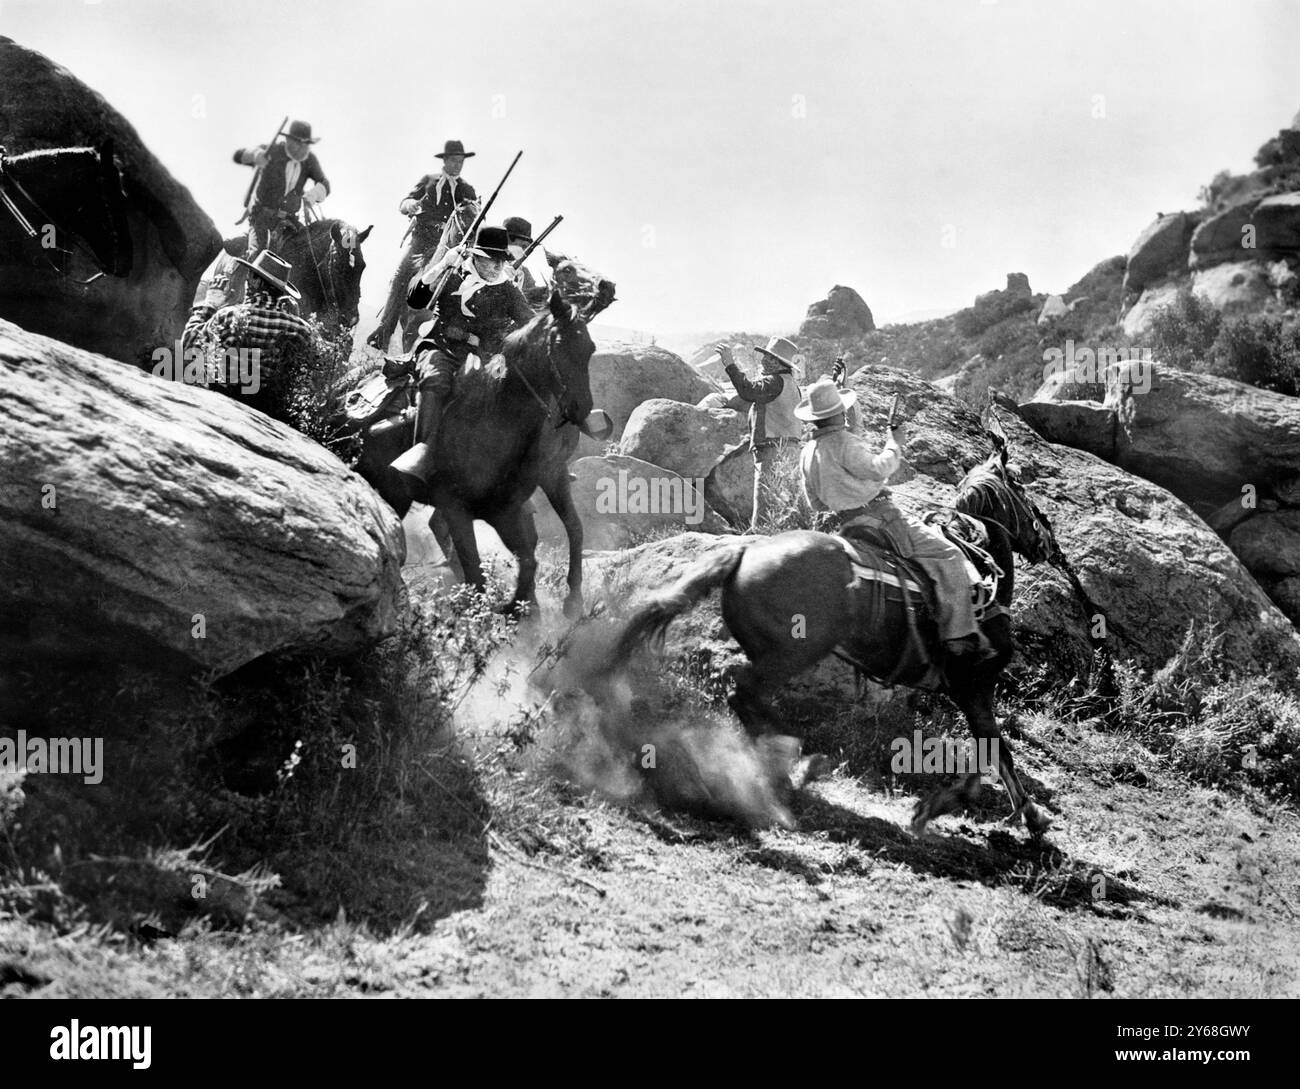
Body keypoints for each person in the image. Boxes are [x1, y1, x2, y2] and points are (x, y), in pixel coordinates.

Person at [795, 376, 995, 659]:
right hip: (882, 517)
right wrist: (894, 442)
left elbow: (815, 504)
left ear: (813, 418)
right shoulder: (844, 442)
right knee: (948, 555)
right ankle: (959, 635)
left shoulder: (807, 452)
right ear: (839, 413)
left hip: (847, 527)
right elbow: (879, 468)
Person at [390, 225, 533, 484]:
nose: (498, 265)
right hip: (440, 347)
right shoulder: (453, 276)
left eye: (502, 260)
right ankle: (422, 452)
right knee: (435, 380)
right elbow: (415, 301)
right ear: (476, 257)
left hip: (484, 358)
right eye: (492, 259)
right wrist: (442, 266)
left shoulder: (509, 290)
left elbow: (530, 325)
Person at [367, 139, 478, 349]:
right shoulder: (429, 180)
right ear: (444, 160)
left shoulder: (467, 190)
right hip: (421, 241)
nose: (458, 165)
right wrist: (410, 205)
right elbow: (405, 202)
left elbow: (473, 216)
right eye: (454, 160)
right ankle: (384, 329)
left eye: (461, 161)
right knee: (400, 276)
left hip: (451, 247)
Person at [182, 248, 317, 414]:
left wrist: (210, 304)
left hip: (222, 405)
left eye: (249, 277)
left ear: (255, 282)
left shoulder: (229, 315)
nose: (246, 282)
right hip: (271, 413)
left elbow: (189, 345)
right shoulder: (302, 330)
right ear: (281, 292)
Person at [229, 120, 329, 299]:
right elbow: (238, 155)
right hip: (262, 218)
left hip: (289, 220)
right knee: (258, 256)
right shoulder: (272, 151)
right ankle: (250, 300)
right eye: (300, 143)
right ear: (290, 141)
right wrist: (255, 156)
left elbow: (324, 183)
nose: (304, 149)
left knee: (307, 255)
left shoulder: (309, 160)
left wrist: (312, 196)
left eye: (307, 144)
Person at [716, 336, 804, 532]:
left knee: (764, 507)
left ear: (777, 362)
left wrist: (729, 364)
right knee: (783, 506)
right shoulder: (790, 384)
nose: (763, 360)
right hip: (789, 450)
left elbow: (748, 391)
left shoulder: (774, 382)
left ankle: (758, 539)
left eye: (767, 357)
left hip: (773, 451)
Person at [503, 216, 548, 305]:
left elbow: (531, 296)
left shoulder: (523, 272)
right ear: (506, 241)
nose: (524, 252)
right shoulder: (484, 261)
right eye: (523, 246)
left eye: (527, 248)